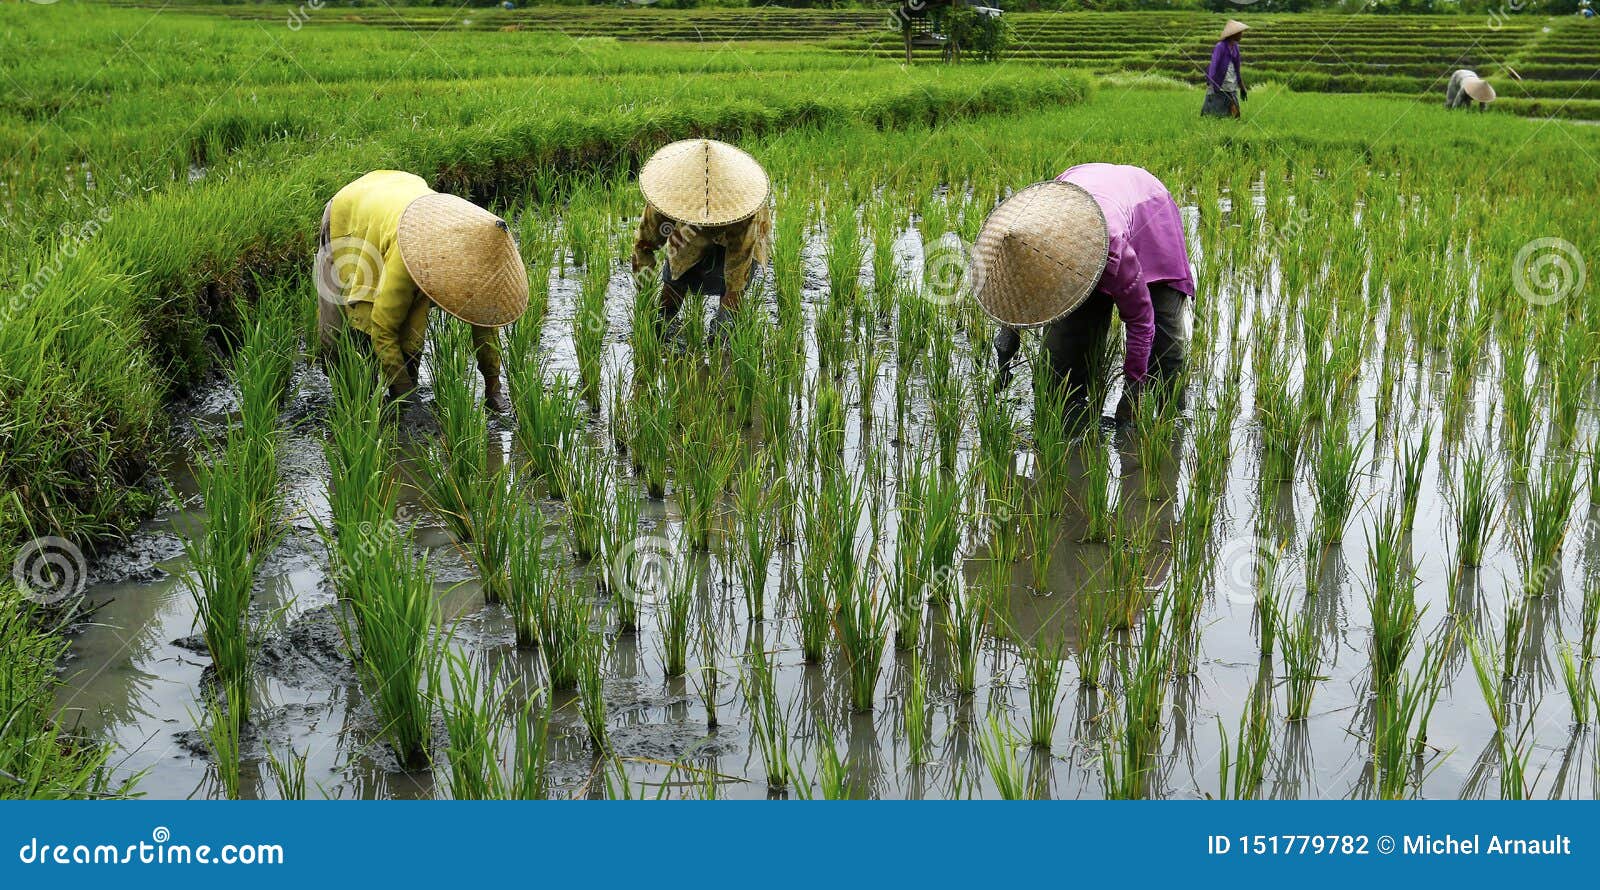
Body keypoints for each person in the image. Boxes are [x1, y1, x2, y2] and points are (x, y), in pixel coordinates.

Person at [981, 164, 1195, 423]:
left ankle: (1172, 424)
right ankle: (1073, 425)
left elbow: (1140, 321)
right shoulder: (1027, 235)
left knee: (1164, 351)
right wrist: (1007, 344)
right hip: (1085, 197)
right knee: (1059, 373)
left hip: (1149, 214)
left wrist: (1133, 391)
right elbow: (1020, 292)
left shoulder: (1112, 247)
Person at [316, 170, 527, 412]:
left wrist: (494, 388)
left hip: (401, 196)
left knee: (410, 325)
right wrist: (408, 398)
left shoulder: (475, 259)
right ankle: (349, 402)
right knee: (345, 333)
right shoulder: (410, 254)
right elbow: (382, 328)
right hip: (354, 209)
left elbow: (484, 324)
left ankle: (396, 390)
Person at [630, 139, 771, 343]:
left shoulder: (745, 208)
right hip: (688, 235)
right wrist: (644, 301)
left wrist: (723, 328)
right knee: (672, 289)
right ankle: (664, 323)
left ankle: (723, 336)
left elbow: (738, 268)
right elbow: (644, 246)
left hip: (739, 237)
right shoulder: (668, 194)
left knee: (726, 329)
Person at [1201, 20, 1249, 119]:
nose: (1241, 34)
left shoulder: (1235, 47)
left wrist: (1242, 87)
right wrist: (1212, 83)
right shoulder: (1220, 46)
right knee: (1215, 114)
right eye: (1240, 32)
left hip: (1231, 83)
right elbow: (1214, 65)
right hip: (1219, 82)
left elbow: (1237, 68)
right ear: (1233, 34)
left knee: (1235, 115)